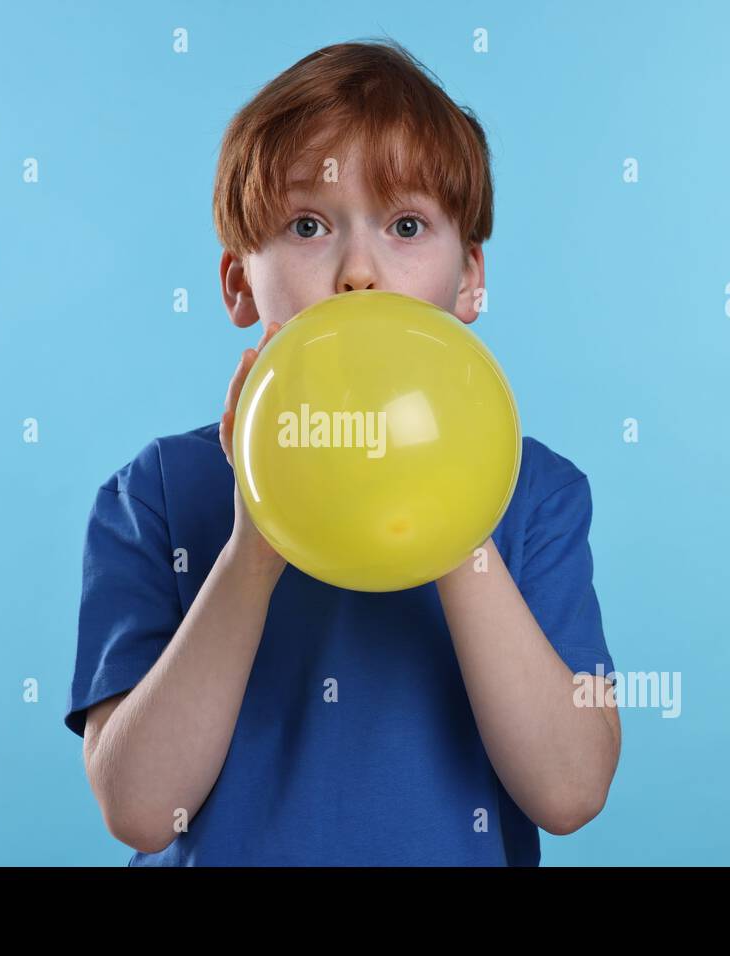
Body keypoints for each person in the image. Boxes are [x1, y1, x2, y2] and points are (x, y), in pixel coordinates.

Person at [64, 38, 621, 866]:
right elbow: (142, 812)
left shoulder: (535, 492)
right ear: (238, 285)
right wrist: (255, 542)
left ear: (470, 280)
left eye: (405, 226)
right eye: (308, 225)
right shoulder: (156, 494)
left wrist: (454, 518)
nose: (359, 271)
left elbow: (571, 793)